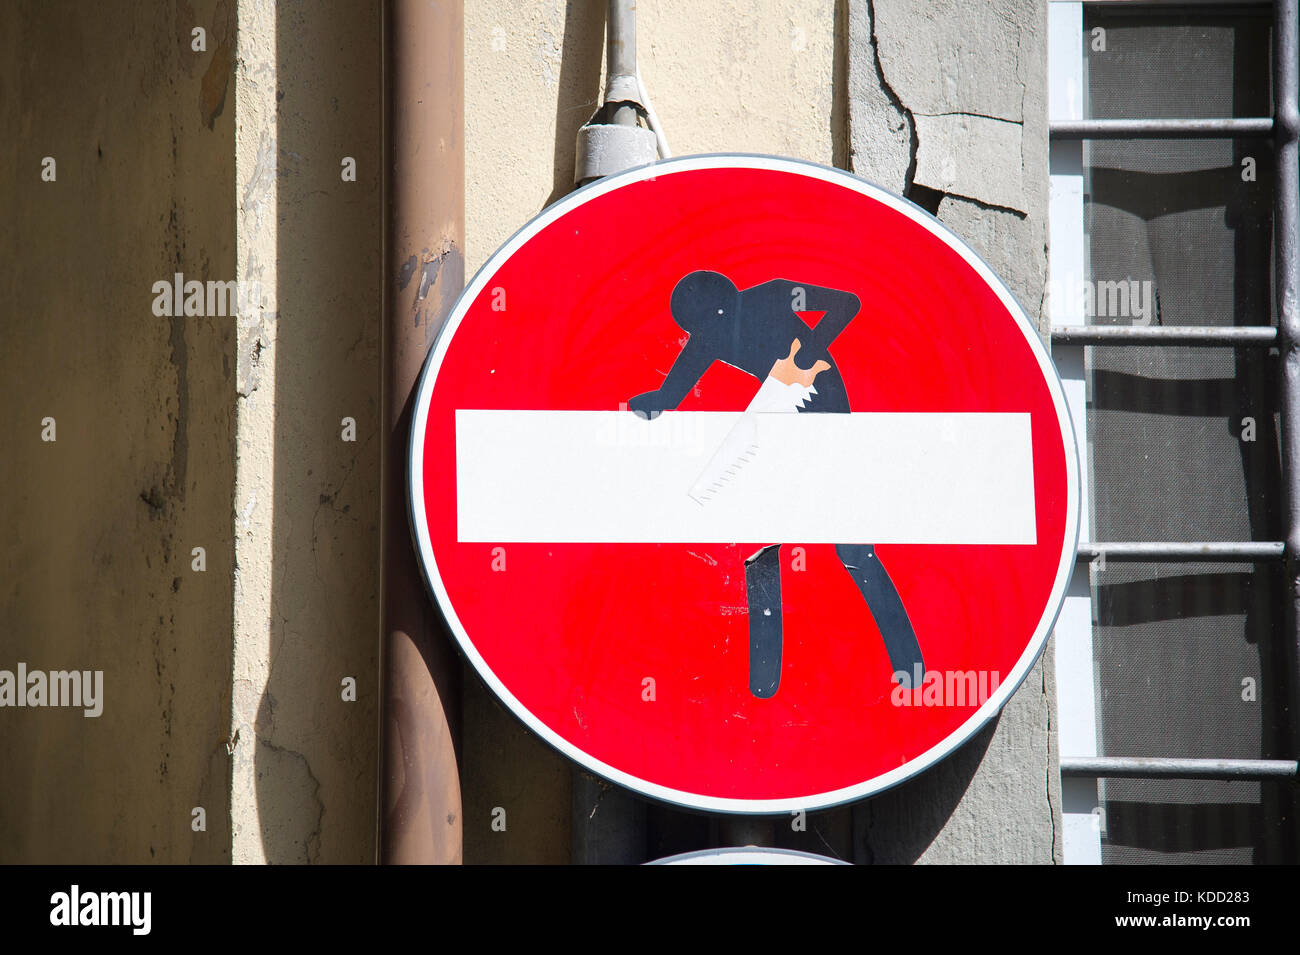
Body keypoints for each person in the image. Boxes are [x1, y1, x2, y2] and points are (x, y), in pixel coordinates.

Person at [630, 270, 925, 698]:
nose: (707, 337)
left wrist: (808, 352)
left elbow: (847, 303)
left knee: (854, 552)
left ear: (726, 304)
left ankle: (911, 671)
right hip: (780, 431)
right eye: (699, 332)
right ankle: (765, 687)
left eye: (711, 326)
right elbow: (672, 391)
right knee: (761, 545)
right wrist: (649, 407)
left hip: (826, 421)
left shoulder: (777, 295)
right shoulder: (709, 334)